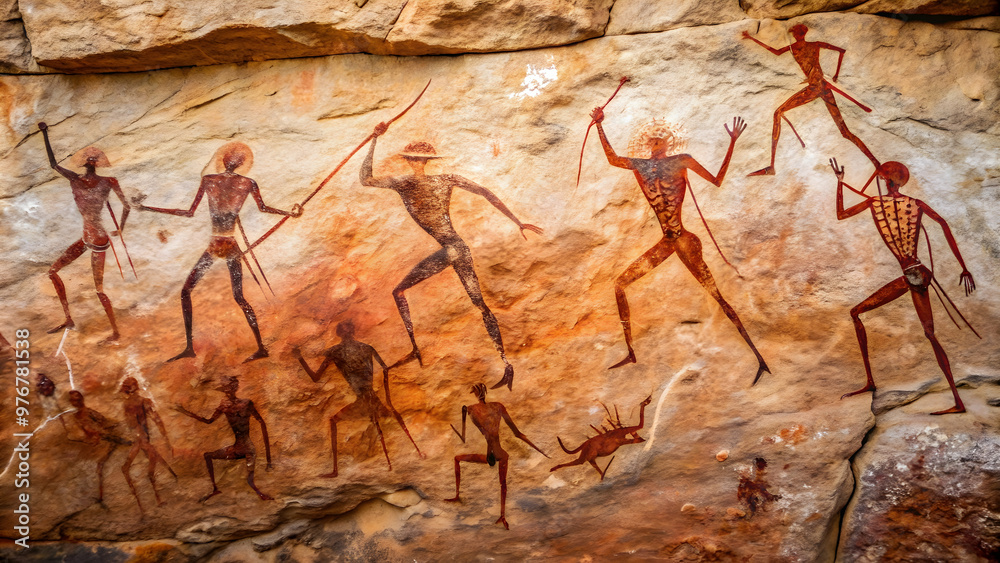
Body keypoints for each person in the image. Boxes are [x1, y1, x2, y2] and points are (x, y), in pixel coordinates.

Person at [590, 107, 769, 384]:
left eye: (660, 140)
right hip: (666, 241)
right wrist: (600, 125)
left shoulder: (681, 160)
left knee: (717, 296)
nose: (655, 144)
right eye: (652, 141)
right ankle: (630, 351)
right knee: (620, 284)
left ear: (669, 142)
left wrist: (732, 143)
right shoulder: (641, 166)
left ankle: (758, 358)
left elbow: (717, 181)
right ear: (647, 144)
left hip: (684, 240)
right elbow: (613, 159)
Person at [360, 122, 542, 390]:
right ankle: (506, 363)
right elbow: (486, 192)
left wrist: (374, 139)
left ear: (410, 160)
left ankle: (414, 349)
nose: (416, 162)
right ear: (426, 160)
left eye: (413, 159)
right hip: (460, 248)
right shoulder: (445, 179)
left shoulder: (404, 182)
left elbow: (366, 179)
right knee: (479, 304)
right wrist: (517, 221)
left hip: (451, 248)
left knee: (399, 292)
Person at [830, 159, 976, 414]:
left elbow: (841, 214)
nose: (878, 182)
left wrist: (840, 183)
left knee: (864, 315)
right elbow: (942, 223)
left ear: (887, 180)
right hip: (917, 272)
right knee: (925, 333)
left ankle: (957, 401)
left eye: (881, 178)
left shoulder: (875, 203)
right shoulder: (914, 203)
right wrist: (963, 267)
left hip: (914, 275)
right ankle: (873, 383)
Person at [136, 142, 302, 362]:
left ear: (223, 160)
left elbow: (188, 212)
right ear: (242, 163)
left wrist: (147, 207)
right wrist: (289, 213)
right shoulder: (248, 183)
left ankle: (190, 347)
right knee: (239, 297)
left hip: (217, 245)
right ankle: (259, 347)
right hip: (230, 246)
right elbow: (263, 208)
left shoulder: (210, 180)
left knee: (187, 291)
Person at [742, 24, 878, 176]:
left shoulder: (801, 47)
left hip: (815, 89)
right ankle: (876, 163)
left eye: (796, 33)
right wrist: (834, 76)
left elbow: (776, 51)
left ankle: (772, 167)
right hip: (822, 88)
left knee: (778, 112)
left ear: (799, 34)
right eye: (795, 33)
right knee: (845, 132)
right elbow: (841, 52)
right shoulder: (810, 46)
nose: (795, 35)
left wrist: (836, 76)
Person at [293, 320, 423, 477]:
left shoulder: (334, 352)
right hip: (371, 397)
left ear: (339, 333)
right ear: (353, 331)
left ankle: (335, 470)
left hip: (362, 400)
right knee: (390, 414)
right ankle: (417, 450)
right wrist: (387, 398)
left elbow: (315, 377)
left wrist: (300, 358)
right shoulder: (367, 348)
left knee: (334, 421)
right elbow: (385, 370)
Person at [38, 122, 130, 342]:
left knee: (99, 290)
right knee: (53, 272)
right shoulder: (87, 180)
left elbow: (53, 164)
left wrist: (120, 230)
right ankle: (68, 318)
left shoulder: (85, 180)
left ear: (93, 164)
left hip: (97, 239)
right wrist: (44, 132)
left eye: (91, 161)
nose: (90, 164)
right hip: (88, 237)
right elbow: (53, 164)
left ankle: (116, 332)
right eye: (89, 161)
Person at [445, 383, 546, 529]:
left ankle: (457, 495)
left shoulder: (472, 409)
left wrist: (461, 421)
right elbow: (517, 433)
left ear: (474, 393)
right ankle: (502, 516)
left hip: (493, 454)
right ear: (485, 392)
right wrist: (539, 449)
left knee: (458, 460)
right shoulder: (498, 406)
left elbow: (463, 437)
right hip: (498, 453)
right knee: (502, 484)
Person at [176, 376, 273, 501]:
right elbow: (209, 421)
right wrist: (185, 412)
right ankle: (215, 489)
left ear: (234, 387)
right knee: (208, 456)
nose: (228, 390)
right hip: (238, 447)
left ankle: (260, 494)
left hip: (247, 448)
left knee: (250, 481)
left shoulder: (245, 403)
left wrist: (268, 460)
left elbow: (262, 424)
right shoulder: (225, 405)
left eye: (229, 387)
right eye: (226, 387)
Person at [119, 377, 176, 512]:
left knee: (149, 461)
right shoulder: (137, 403)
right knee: (144, 465)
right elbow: (154, 420)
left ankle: (149, 501)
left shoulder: (138, 402)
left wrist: (165, 439)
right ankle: (150, 501)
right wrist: (165, 439)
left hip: (141, 439)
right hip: (141, 440)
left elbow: (154, 420)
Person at [63, 390, 131, 503]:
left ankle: (101, 496)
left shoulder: (89, 412)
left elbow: (103, 422)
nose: (75, 402)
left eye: (77, 399)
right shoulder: (76, 416)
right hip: (94, 443)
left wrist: (103, 433)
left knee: (99, 465)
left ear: (81, 400)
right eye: (73, 400)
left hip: (105, 440)